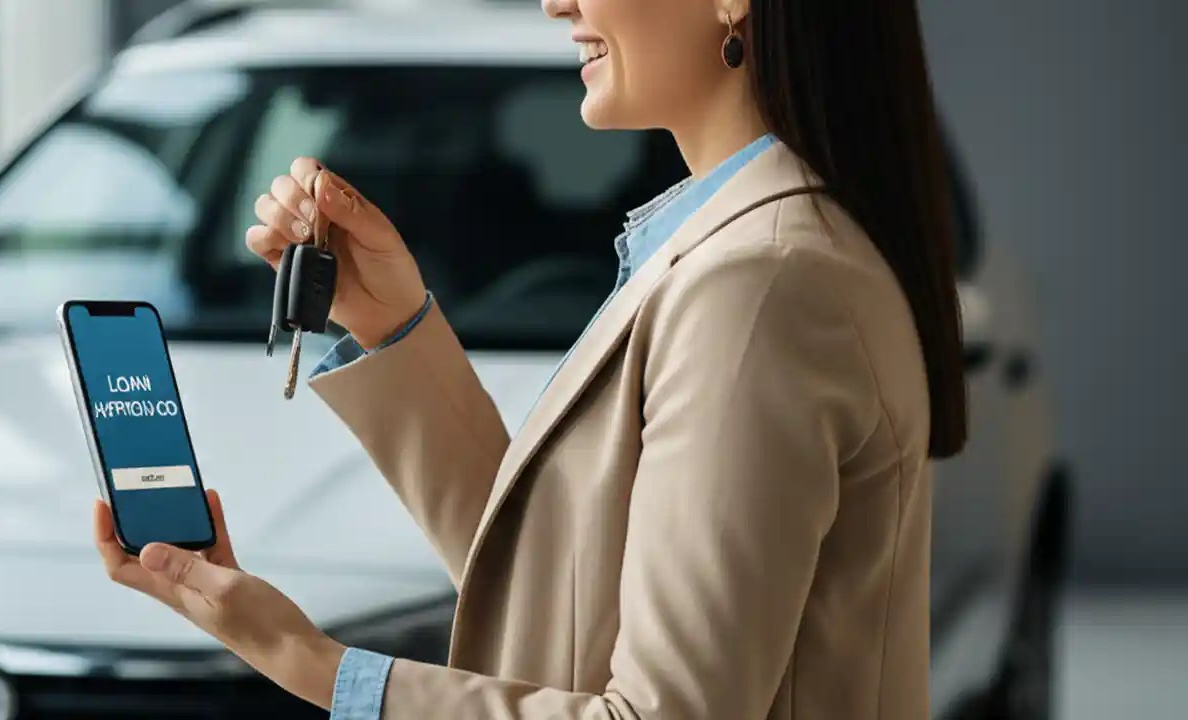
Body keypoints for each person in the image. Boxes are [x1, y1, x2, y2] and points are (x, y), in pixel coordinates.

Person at [92, 0, 967, 717]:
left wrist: (313, 664)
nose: (558, 3)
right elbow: (564, 590)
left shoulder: (760, 284)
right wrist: (394, 326)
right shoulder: (737, 255)